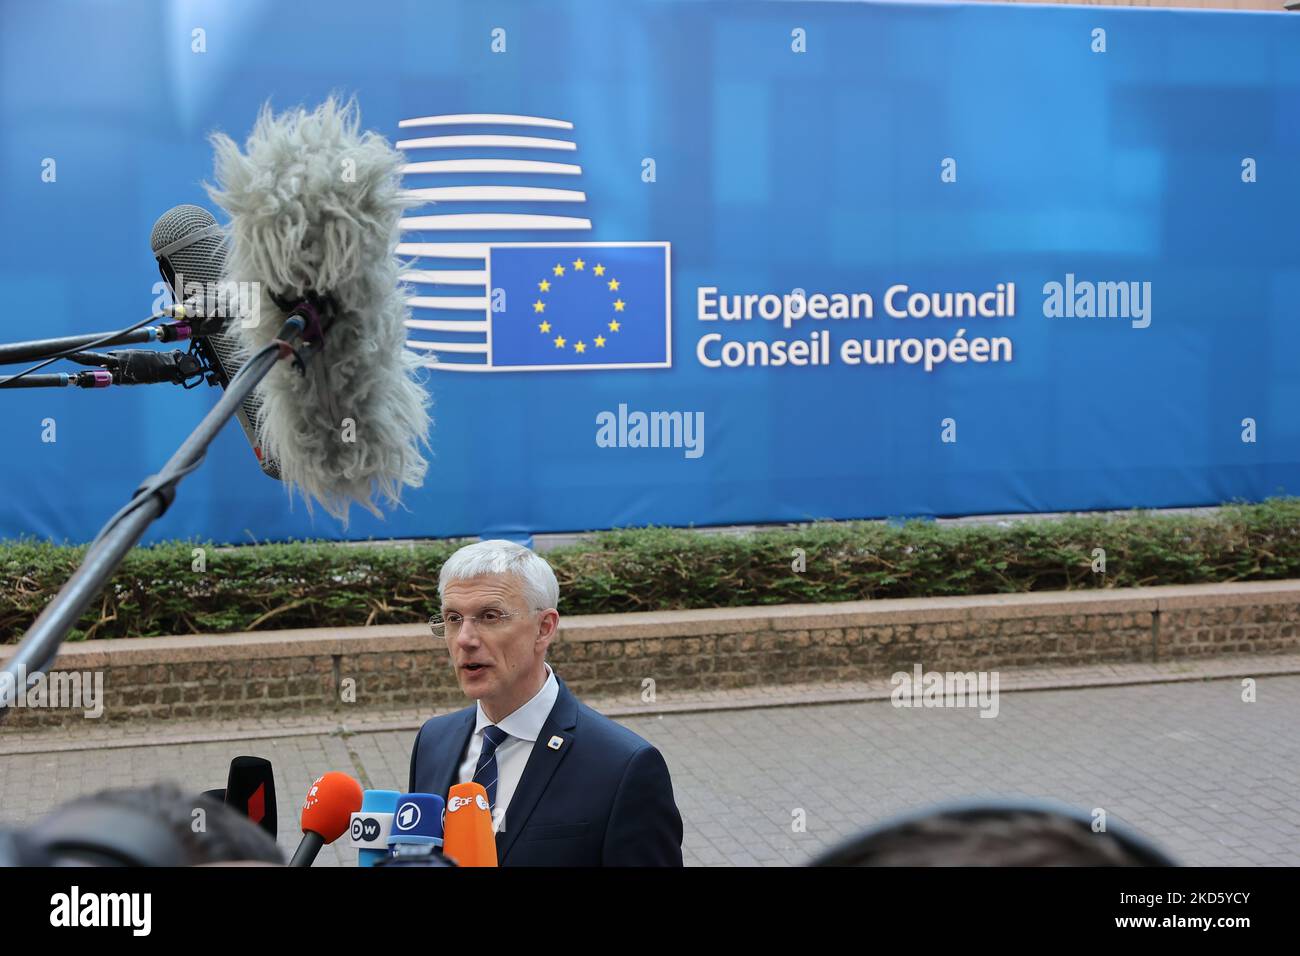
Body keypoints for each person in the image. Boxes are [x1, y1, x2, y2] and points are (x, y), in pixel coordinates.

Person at [409, 540, 683, 866]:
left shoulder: (624, 766)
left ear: (544, 628)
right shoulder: (433, 740)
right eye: (453, 618)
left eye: (490, 616)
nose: (465, 639)